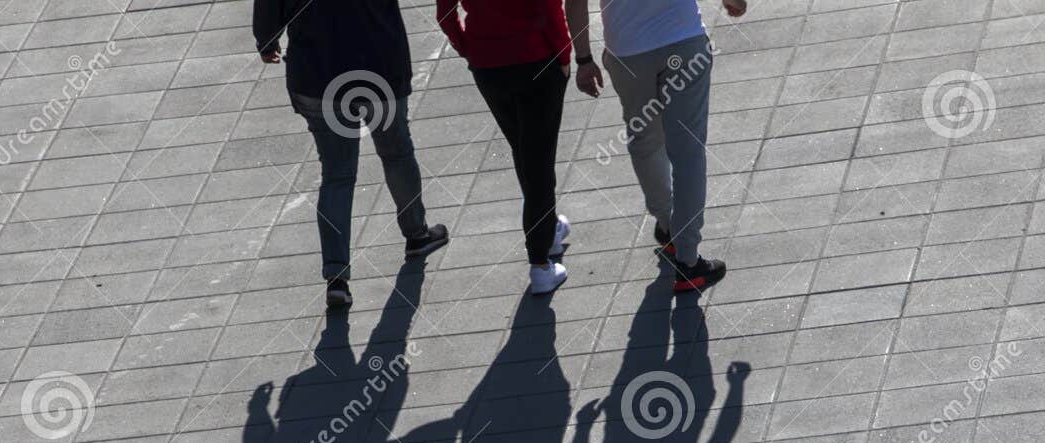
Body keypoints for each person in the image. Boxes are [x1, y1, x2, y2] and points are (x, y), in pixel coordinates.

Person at [255, 0, 449, 310]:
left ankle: (337, 279)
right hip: (379, 67)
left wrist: (266, 41)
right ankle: (416, 235)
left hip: (318, 77)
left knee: (337, 175)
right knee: (396, 154)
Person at [565, 0, 747, 292]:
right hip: (683, 39)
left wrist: (584, 59)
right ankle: (689, 261)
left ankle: (666, 225)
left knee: (644, 141)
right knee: (688, 153)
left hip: (627, 51)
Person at [437, 0, 574, 295]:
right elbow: (549, 7)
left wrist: (469, 48)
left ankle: (546, 227)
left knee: (524, 150)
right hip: (536, 58)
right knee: (539, 158)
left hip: (488, 64)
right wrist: (564, 54)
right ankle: (540, 262)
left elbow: (445, 14)